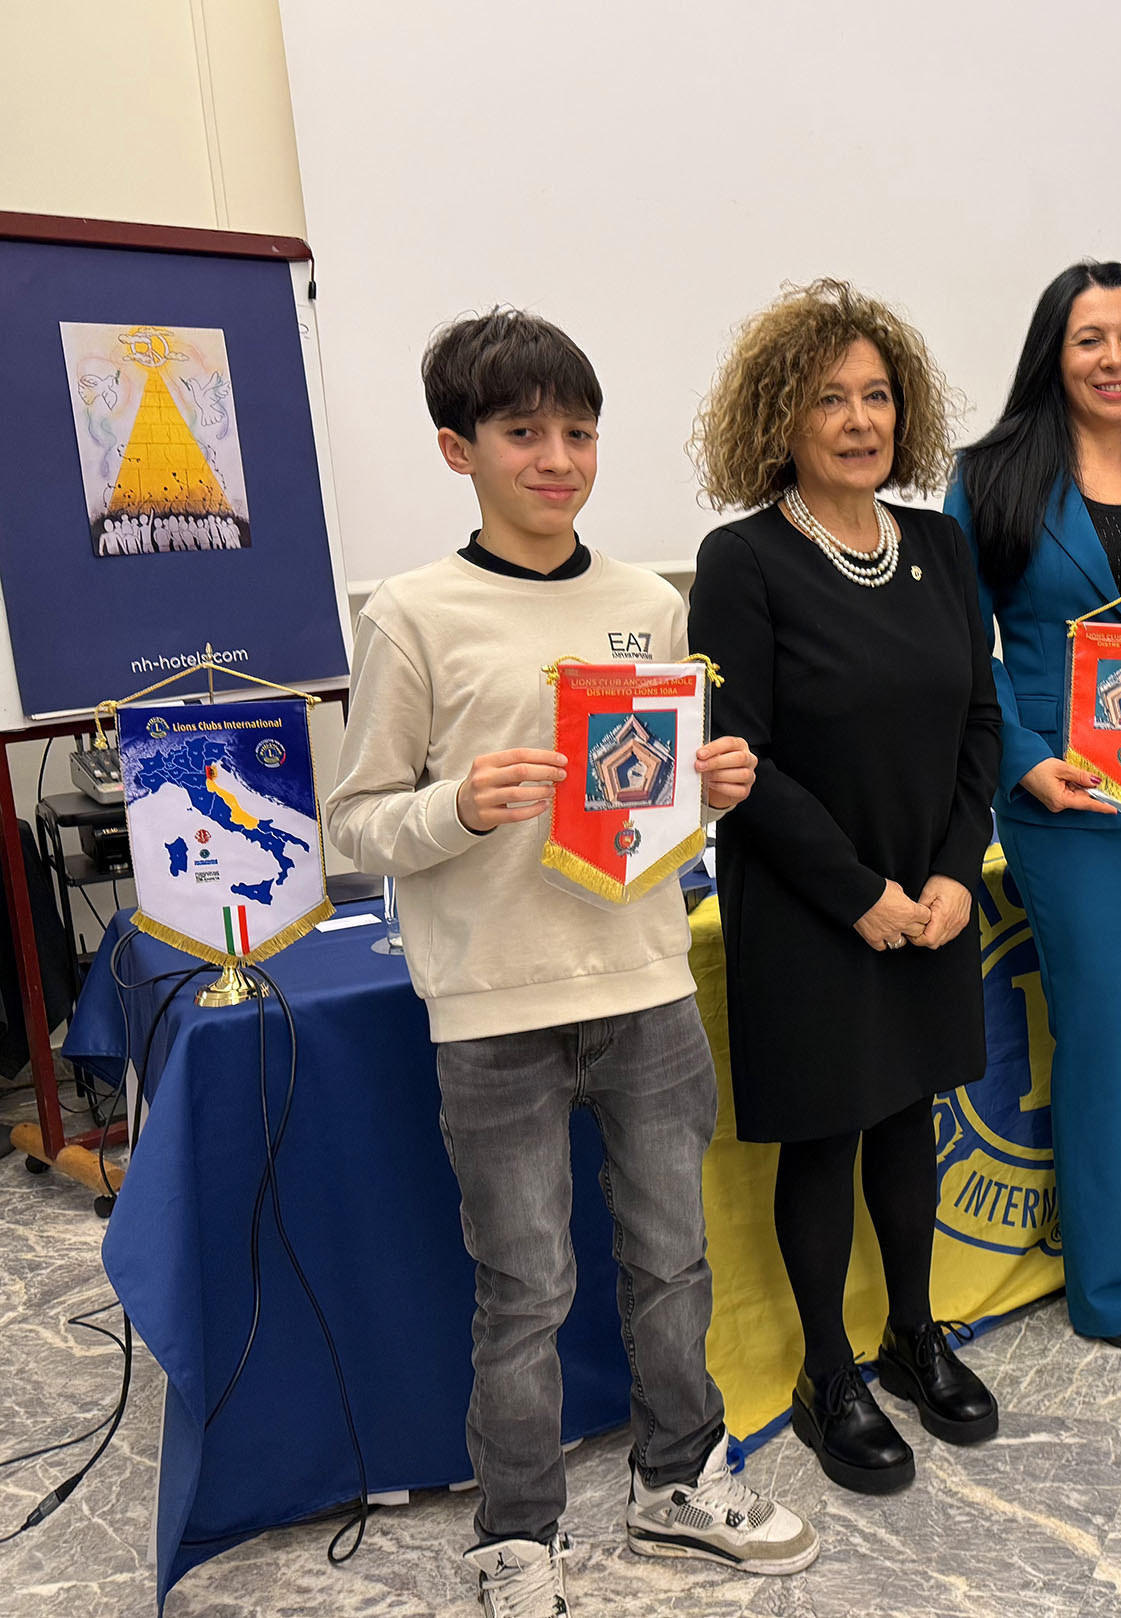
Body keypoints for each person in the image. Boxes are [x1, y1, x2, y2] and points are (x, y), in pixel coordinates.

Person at [328, 310, 817, 1618]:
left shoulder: (647, 606)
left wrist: (711, 788)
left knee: (671, 1260)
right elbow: (354, 818)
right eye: (523, 432)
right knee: (525, 1284)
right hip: (493, 1005)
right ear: (458, 448)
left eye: (579, 431)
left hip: (646, 983)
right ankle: (518, 1530)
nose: (557, 458)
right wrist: (457, 808)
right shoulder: (414, 617)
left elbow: (641, 804)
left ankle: (676, 1480)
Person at [687, 281, 1002, 1494]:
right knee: (824, 1141)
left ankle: (912, 1335)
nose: (860, 420)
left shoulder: (938, 544)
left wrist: (949, 870)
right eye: (831, 398)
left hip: (928, 896)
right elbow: (738, 755)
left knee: (909, 1116)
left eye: (877, 396)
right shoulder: (743, 559)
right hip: (809, 906)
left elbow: (980, 718)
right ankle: (829, 1372)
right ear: (783, 414)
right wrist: (861, 891)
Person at [944, 261, 1121, 1352]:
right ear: (1053, 356)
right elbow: (961, 654)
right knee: (1100, 1027)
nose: (1115, 359)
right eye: (1090, 340)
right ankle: (1107, 1280)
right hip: (1063, 801)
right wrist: (1021, 763)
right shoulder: (993, 478)